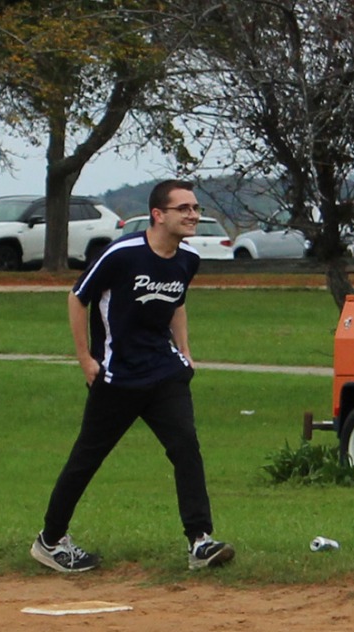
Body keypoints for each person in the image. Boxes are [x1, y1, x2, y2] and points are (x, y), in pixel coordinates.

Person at [30, 179, 233, 574]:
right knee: (86, 458)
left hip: (164, 374)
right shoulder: (122, 254)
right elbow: (77, 298)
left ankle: (200, 542)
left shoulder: (186, 260)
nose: (194, 215)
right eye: (184, 209)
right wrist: (85, 358)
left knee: (186, 448)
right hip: (118, 376)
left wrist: (186, 352)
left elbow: (177, 304)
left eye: (195, 208)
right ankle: (50, 541)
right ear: (159, 215)